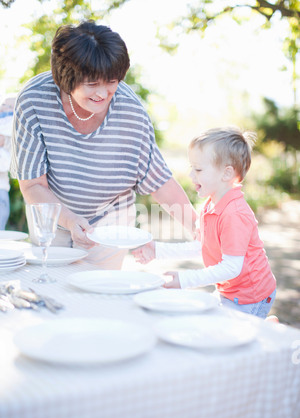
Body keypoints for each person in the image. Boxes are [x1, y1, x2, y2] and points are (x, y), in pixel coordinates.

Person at [11, 21, 197, 268]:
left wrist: (200, 229)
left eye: (111, 81)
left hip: (111, 220)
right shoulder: (34, 100)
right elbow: (33, 184)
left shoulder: (130, 111)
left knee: (96, 295)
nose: (103, 93)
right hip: (51, 214)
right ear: (65, 78)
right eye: (92, 84)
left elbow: (159, 181)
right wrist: (69, 220)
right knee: (54, 288)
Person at [133, 127, 277, 319]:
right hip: (230, 291)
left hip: (250, 296)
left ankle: (268, 327)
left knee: (228, 344)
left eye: (198, 169)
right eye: (191, 167)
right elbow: (202, 247)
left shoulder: (234, 215)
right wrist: (157, 250)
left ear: (226, 174)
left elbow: (231, 268)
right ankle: (268, 325)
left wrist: (185, 280)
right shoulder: (211, 205)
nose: (192, 175)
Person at [0, 95, 15, 230]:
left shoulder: (12, 125)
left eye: (8, 106)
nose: (3, 107)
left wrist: (5, 140)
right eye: (3, 104)